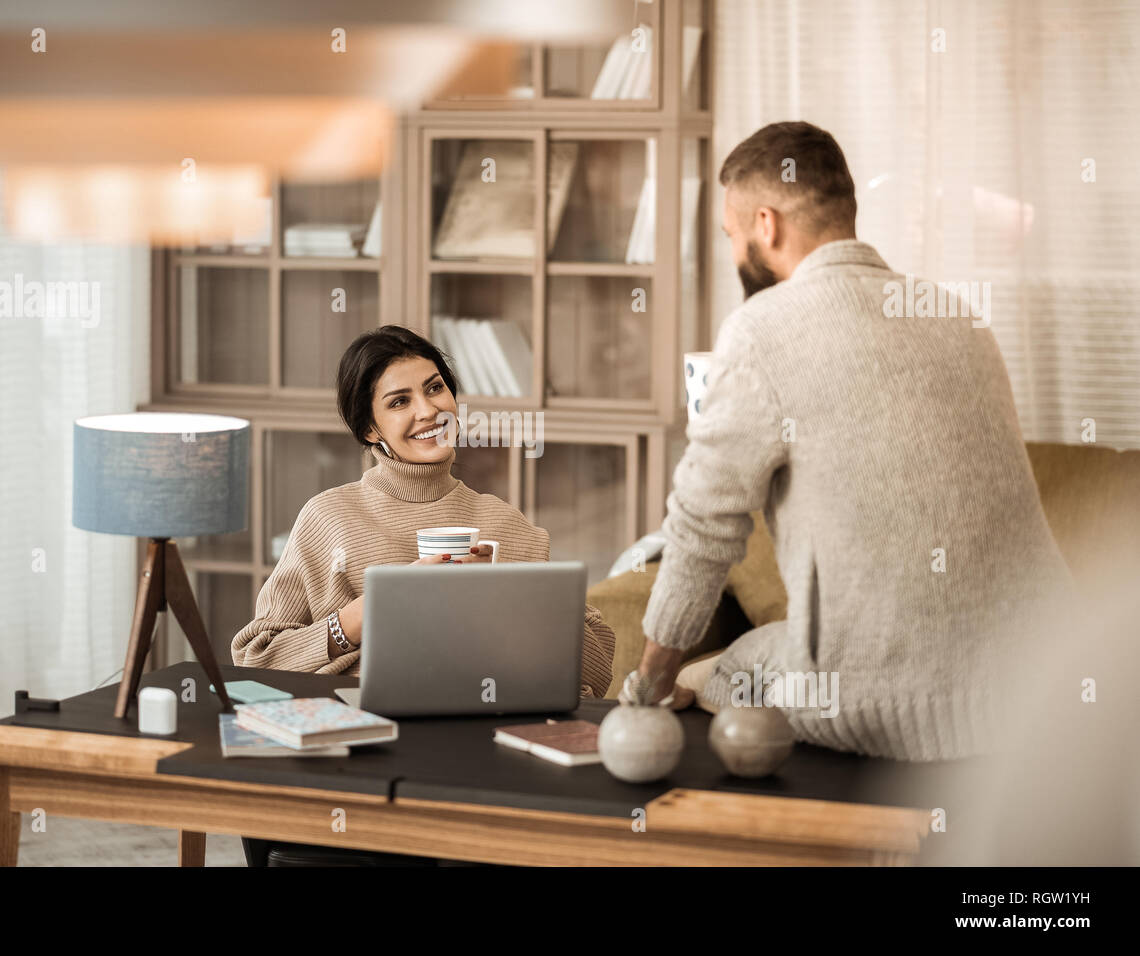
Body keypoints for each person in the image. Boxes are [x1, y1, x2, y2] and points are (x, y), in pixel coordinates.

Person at [629, 121, 1076, 761]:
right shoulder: (957, 316)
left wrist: (650, 684)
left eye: (731, 235)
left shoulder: (760, 331)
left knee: (718, 671)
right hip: (1044, 688)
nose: (734, 255)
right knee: (767, 646)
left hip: (887, 709)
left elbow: (703, 528)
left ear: (766, 223)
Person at [232, 324, 616, 700]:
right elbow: (255, 660)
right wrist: (366, 614)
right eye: (399, 401)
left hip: (489, 725)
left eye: (435, 388)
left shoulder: (507, 525)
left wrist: (508, 602)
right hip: (365, 730)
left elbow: (597, 671)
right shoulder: (329, 518)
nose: (429, 410)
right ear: (369, 428)